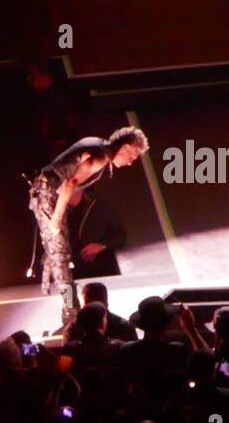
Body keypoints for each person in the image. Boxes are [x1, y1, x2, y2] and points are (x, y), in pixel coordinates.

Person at [28, 127, 149, 322]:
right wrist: (56, 219)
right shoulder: (100, 156)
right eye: (133, 157)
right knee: (61, 259)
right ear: (125, 147)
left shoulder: (98, 145)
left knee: (60, 254)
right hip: (48, 197)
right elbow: (69, 184)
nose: (131, 162)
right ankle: (70, 312)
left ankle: (54, 265)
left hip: (50, 194)